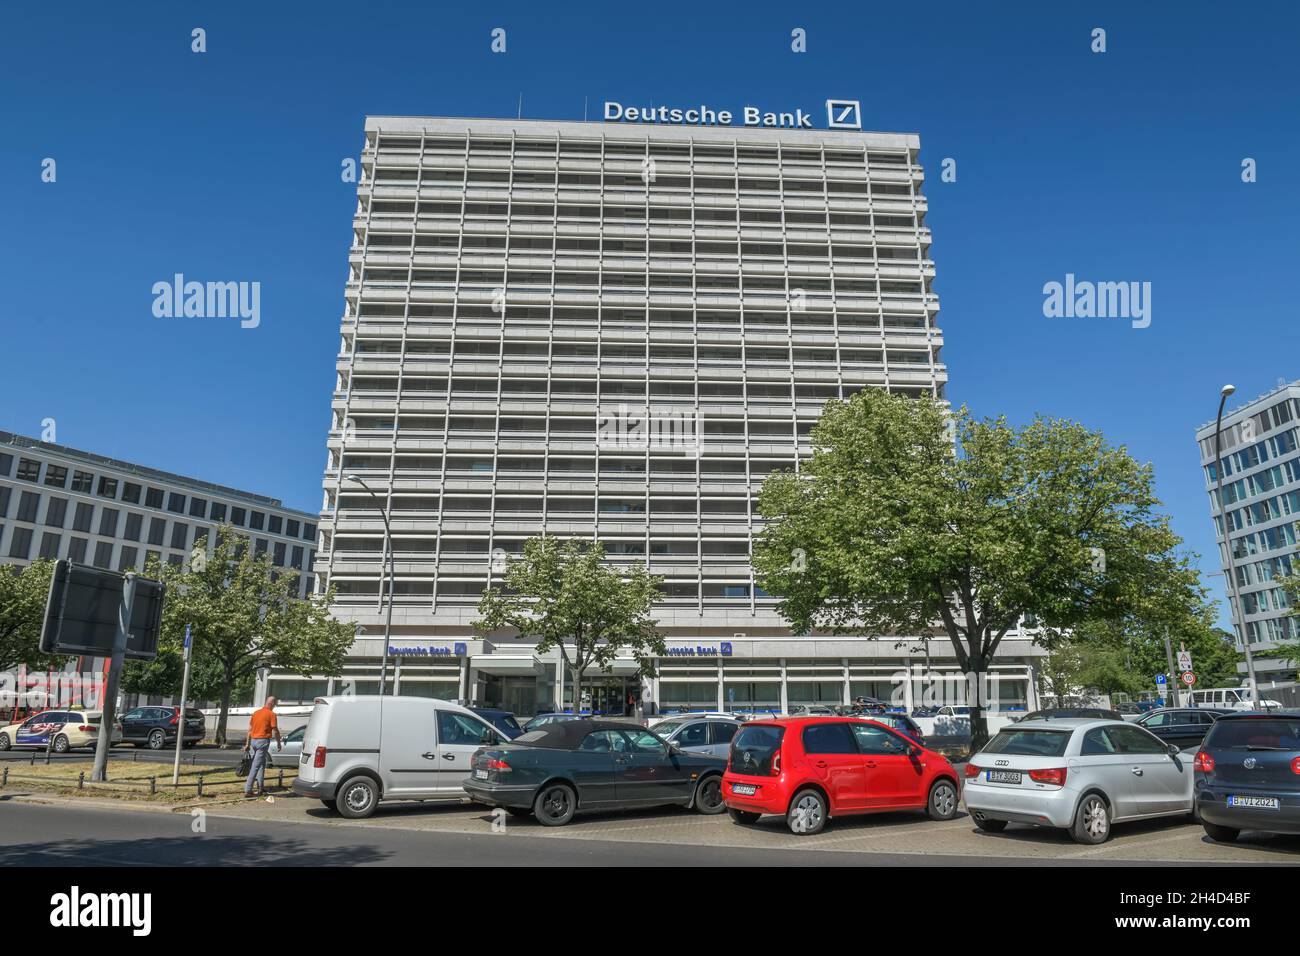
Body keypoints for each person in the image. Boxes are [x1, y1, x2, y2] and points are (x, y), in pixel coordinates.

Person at [243, 696, 282, 797]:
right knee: (255, 766)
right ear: (272, 703)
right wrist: (278, 742)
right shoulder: (271, 714)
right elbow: (275, 730)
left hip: (254, 742)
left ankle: (261, 787)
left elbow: (249, 730)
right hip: (263, 741)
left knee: (261, 764)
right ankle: (248, 790)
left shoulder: (256, 713)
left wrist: (247, 744)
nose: (275, 706)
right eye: (275, 704)